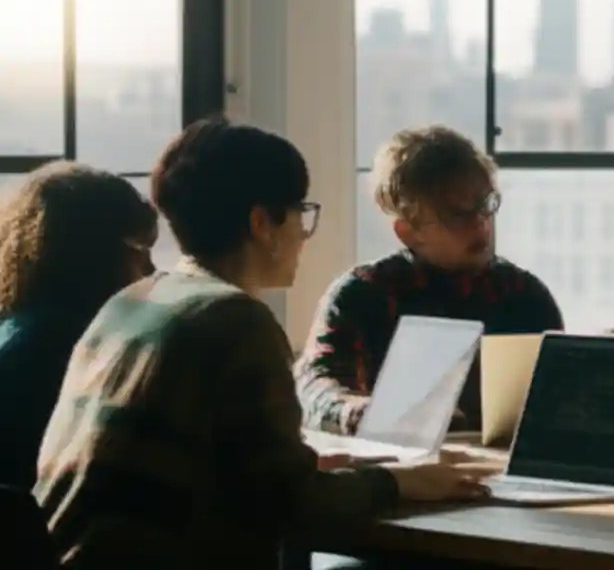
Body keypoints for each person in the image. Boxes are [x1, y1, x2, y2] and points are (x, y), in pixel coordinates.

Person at [34, 119, 495, 568]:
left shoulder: (132, 301)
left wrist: (310, 466)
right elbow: (292, 504)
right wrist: (399, 482)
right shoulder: (236, 321)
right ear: (262, 222)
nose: (303, 235)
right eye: (301, 213)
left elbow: (216, 467)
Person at [295, 126, 563, 436]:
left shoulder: (526, 296)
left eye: (485, 205)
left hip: (506, 473)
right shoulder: (360, 296)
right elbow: (315, 388)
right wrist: (361, 412)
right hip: (398, 476)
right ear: (407, 231)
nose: (481, 223)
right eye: (457, 215)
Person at [0, 162, 157, 489]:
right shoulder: (66, 347)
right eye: (139, 249)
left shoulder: (22, 330)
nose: (151, 268)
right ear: (95, 251)